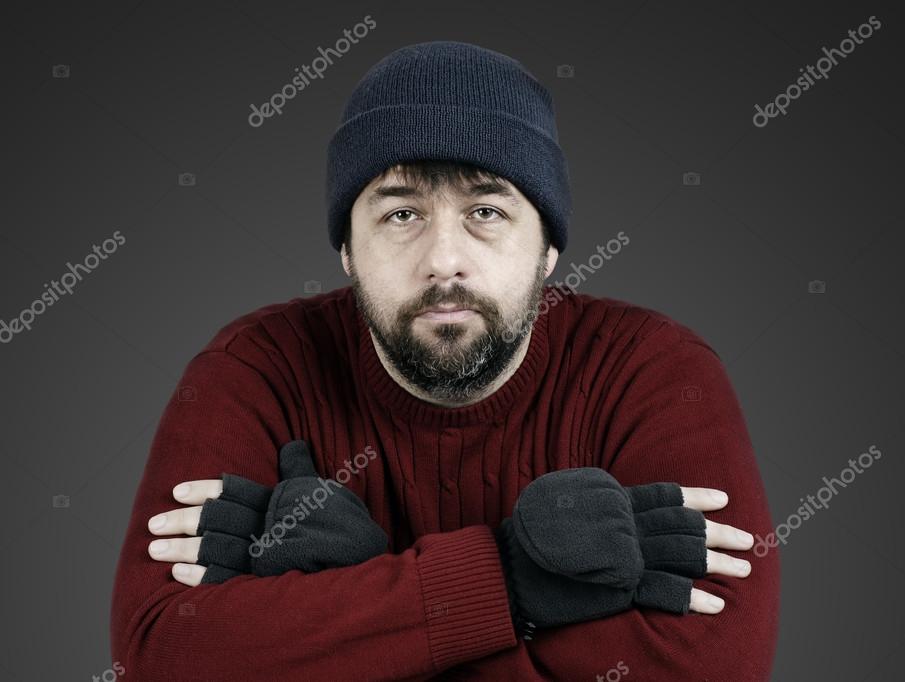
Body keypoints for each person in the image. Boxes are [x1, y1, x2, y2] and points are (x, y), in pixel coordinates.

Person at [110, 40, 780, 681]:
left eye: (485, 210)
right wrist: (515, 580)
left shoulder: (654, 371)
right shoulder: (253, 370)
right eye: (401, 214)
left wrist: (353, 602)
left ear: (547, 246)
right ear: (346, 247)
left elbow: (711, 668)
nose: (442, 261)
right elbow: (161, 658)